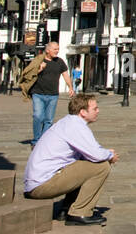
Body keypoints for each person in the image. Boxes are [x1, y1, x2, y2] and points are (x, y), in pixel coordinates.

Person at [23, 94, 117, 226]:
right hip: (41, 186)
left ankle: (66, 208)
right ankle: (79, 212)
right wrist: (109, 155)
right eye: (95, 108)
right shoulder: (76, 126)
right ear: (83, 112)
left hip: (37, 182)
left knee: (85, 164)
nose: (98, 111)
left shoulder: (69, 122)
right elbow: (97, 155)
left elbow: (89, 153)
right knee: (102, 167)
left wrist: (105, 153)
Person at [26, 42, 75, 146]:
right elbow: (30, 74)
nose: (57, 51)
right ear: (48, 50)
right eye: (55, 49)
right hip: (38, 93)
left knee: (48, 119)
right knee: (38, 116)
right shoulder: (39, 60)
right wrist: (40, 69)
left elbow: (65, 75)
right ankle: (36, 139)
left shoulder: (60, 62)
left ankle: (43, 140)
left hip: (53, 94)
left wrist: (70, 87)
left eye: (58, 49)